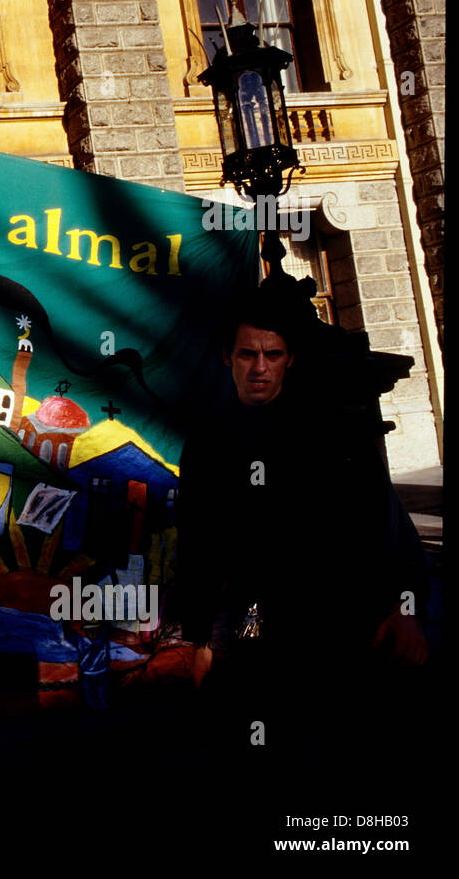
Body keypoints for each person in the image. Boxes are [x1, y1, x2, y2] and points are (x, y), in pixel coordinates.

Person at [174, 285, 429, 762]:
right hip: (255, 618)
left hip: (342, 619)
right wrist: (200, 639)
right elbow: (198, 542)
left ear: (289, 360)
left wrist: (406, 608)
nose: (259, 368)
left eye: (272, 354)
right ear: (229, 356)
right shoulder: (209, 442)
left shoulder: (334, 433)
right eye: (248, 354)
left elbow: (385, 522)